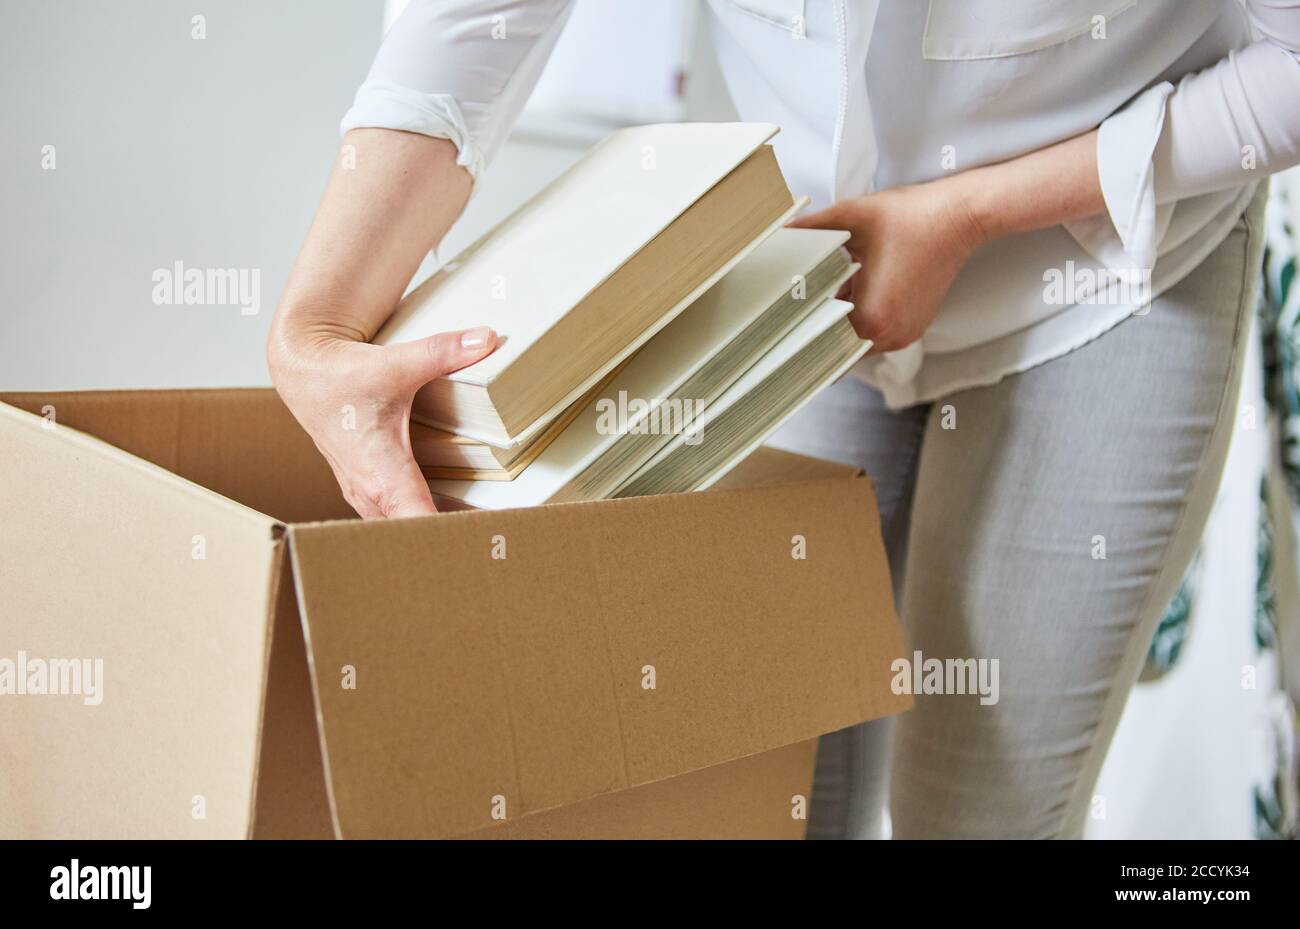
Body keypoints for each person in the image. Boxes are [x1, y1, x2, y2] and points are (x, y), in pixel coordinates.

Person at [268, 0, 1300, 837]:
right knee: (778, 781)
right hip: (807, 271)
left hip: (1102, 272)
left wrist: (964, 212)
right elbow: (471, 27)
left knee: (980, 809)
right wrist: (312, 327)